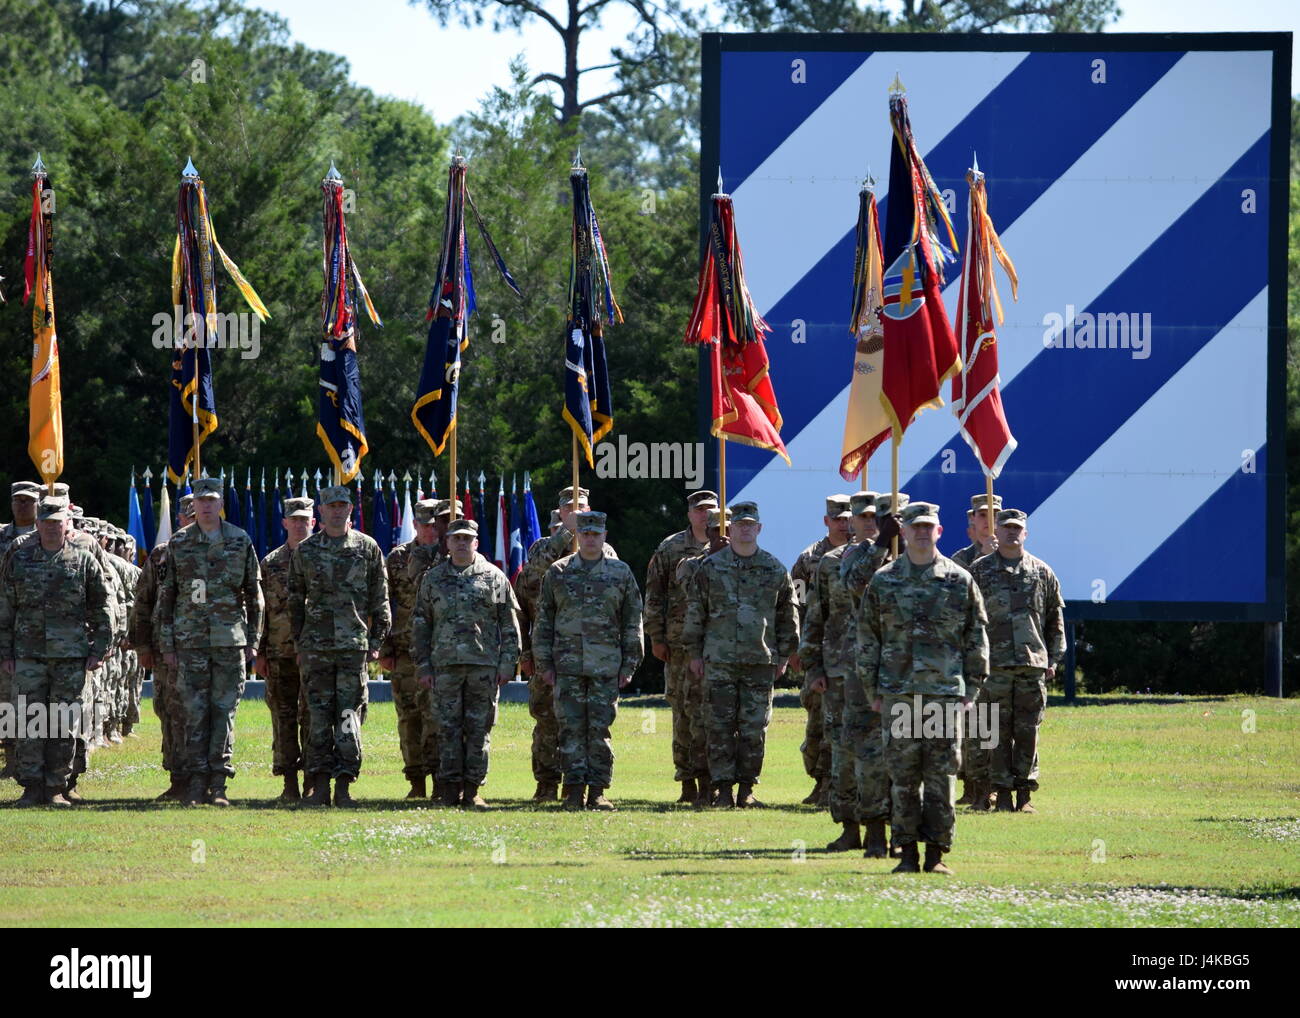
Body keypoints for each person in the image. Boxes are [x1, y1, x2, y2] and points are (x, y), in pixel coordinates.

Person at [857, 502, 988, 874]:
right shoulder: (884, 580)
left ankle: (936, 853)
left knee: (941, 776)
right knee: (902, 778)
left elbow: (976, 637)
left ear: (939, 532)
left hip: (944, 694)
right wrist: (873, 691)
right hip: (897, 694)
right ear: (904, 531)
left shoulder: (958, 580)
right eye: (915, 526)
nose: (921, 532)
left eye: (928, 526)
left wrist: (971, 689)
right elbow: (868, 638)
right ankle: (908, 853)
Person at [682, 501, 797, 809]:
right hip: (718, 661)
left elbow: (788, 614)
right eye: (739, 524)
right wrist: (694, 653)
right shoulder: (711, 568)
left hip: (759, 661)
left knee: (753, 729)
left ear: (759, 529)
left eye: (751, 524)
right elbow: (696, 613)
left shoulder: (774, 569)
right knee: (718, 726)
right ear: (730, 529)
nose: (745, 529)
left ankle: (747, 789)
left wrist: (784, 655)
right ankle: (722, 790)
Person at [0, 495, 113, 806]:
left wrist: (100, 648)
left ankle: (55, 786)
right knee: (28, 719)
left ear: (67, 524)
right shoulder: (20, 558)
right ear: (37, 525)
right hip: (28, 654)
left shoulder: (84, 559)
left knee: (63, 721)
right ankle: (32, 785)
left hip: (70, 656)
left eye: (57, 522)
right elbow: (5, 608)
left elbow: (102, 607)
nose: (52, 527)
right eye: (46, 522)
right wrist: (6, 652)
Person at [157, 477, 264, 807]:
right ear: (194, 505)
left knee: (224, 712)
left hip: (229, 642)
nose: (205, 505)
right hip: (190, 644)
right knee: (193, 713)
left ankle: (218, 784)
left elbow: (254, 595)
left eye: (211, 500)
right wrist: (168, 645)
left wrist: (254, 641)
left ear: (220, 504)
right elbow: (168, 596)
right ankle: (195, 782)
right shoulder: (180, 543)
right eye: (200, 500)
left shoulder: (239, 540)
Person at [533, 511, 643, 811]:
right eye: (586, 534)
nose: (591, 539)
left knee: (599, 730)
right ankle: (572, 790)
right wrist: (544, 664)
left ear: (604, 536)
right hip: (566, 666)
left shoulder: (620, 573)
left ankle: (597, 790)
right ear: (578, 536)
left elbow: (633, 621)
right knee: (568, 728)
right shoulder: (558, 572)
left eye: (596, 534)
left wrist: (629, 664)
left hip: (605, 665)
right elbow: (544, 621)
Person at [288, 484, 389, 807]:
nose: (336, 510)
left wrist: (376, 642)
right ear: (321, 511)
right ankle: (319, 785)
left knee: (348, 717)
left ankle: (345, 784)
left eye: (342, 505)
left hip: (352, 649)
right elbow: (294, 601)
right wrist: (300, 641)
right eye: (330, 505)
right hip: (316, 649)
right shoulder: (306, 551)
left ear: (350, 509)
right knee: (317, 718)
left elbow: (380, 600)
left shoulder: (367, 548)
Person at [515, 486, 618, 802]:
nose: (575, 511)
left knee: (591, 723)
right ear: (560, 511)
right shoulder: (543, 547)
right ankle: (547, 782)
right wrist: (526, 653)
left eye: (581, 506)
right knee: (547, 721)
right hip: (550, 652)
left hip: (593, 654)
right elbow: (529, 583)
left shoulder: (604, 550)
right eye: (569, 507)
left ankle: (587, 785)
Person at [801, 490, 890, 855]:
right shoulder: (832, 562)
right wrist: (813, 666)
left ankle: (889, 830)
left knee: (890, 754)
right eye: (863, 516)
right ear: (850, 520)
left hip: (892, 673)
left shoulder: (907, 561)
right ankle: (850, 827)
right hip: (843, 672)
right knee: (845, 752)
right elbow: (816, 616)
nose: (869, 522)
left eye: (876, 517)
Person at [411, 518, 520, 809]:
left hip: (482, 667)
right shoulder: (433, 579)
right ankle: (448, 788)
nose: (461, 543)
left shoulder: (494, 578)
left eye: (466, 538)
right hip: (444, 667)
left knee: (478, 729)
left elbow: (508, 624)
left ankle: (472, 789)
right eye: (455, 538)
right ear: (446, 542)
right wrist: (422, 665)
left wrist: (508, 663)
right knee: (446, 729)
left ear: (476, 542)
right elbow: (421, 625)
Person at [969, 509, 1065, 813]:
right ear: (997, 530)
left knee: (1028, 731)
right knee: (995, 731)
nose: (1012, 533)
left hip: (1031, 665)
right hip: (992, 666)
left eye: (1017, 528)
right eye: (1006, 527)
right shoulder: (980, 571)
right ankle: (1001, 793)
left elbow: (1054, 620)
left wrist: (1054, 658)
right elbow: (967, 618)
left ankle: (1024, 795)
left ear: (1025, 533)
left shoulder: (1042, 572)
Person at [643, 489, 717, 803]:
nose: (705, 515)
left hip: (720, 646)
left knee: (716, 714)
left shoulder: (731, 547)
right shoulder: (671, 547)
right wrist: (656, 637)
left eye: (711, 510)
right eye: (699, 510)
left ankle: (717, 781)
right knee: (684, 713)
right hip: (680, 645)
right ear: (689, 514)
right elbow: (654, 595)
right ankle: (688, 781)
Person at [130, 493, 194, 800]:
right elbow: (143, 602)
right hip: (166, 651)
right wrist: (142, 645)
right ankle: (178, 776)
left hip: (208, 649)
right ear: (180, 519)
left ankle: (206, 777)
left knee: (205, 713)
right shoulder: (160, 555)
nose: (192, 524)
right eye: (188, 518)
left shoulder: (222, 551)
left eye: (198, 518)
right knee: (170, 712)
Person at [790, 495, 852, 805]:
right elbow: (798, 607)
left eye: (847, 517)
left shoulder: (864, 556)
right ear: (826, 521)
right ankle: (819, 781)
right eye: (837, 518)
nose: (843, 523)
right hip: (819, 653)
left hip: (850, 655)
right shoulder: (809, 559)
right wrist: (799, 649)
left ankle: (839, 784)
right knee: (817, 721)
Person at [380, 498, 443, 800]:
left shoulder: (451, 555)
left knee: (439, 719)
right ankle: (416, 782)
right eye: (425, 525)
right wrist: (385, 647)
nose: (431, 531)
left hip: (442, 653)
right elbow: (383, 605)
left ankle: (442, 780)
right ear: (415, 525)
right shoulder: (397, 558)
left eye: (435, 525)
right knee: (409, 718)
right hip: (406, 653)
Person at [254, 496, 315, 802]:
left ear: (313, 523)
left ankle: (313, 783)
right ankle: (289, 783)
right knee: (284, 718)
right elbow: (260, 611)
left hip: (316, 654)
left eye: (305, 519)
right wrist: (260, 652)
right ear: (285, 523)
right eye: (295, 519)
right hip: (279, 654)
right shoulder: (270, 563)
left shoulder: (321, 558)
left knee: (314, 718)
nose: (300, 524)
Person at [0, 481, 41, 780]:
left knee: (29, 699)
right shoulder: (1, 536)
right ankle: (11, 758)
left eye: (28, 501)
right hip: (5, 625)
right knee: (4, 698)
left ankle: (33, 759)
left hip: (35, 630)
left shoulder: (49, 535)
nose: (22, 505)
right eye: (18, 501)